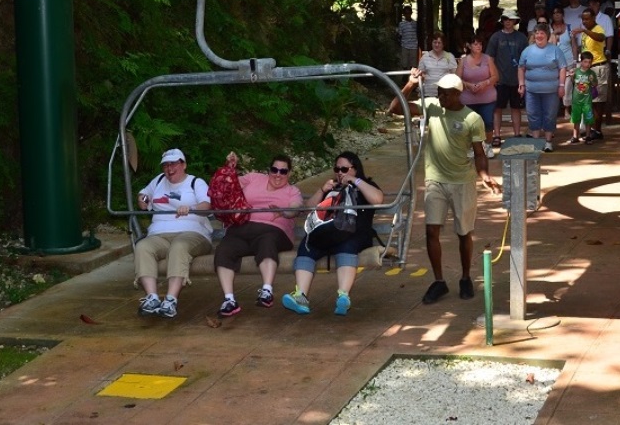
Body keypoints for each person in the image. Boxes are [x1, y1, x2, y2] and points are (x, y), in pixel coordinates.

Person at [388, 73, 501, 304]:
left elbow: (479, 154)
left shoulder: (472, 119)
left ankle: (466, 277)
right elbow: (395, 108)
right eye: (439, 91)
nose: (441, 96)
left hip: (462, 182)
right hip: (435, 180)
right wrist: (410, 83)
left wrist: (485, 175)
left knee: (463, 234)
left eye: (446, 93)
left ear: (458, 94)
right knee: (432, 231)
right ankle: (439, 282)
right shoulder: (431, 107)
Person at [281, 151, 383, 316]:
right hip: (329, 232)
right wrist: (322, 190)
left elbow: (378, 199)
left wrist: (355, 181)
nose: (340, 173)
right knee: (308, 243)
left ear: (355, 169)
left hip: (355, 233)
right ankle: (301, 297)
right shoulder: (332, 187)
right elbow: (309, 208)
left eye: (344, 169)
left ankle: (343, 296)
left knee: (347, 244)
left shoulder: (364, 184)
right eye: (337, 169)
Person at [213, 154, 303, 317]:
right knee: (225, 248)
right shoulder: (254, 178)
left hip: (274, 230)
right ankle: (229, 299)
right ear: (269, 170)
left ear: (289, 174)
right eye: (274, 170)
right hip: (242, 229)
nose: (278, 174)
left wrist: (283, 212)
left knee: (267, 242)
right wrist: (230, 166)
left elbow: (294, 209)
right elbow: (228, 184)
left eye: (283, 171)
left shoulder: (292, 191)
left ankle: (267, 290)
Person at [135, 148, 213, 319]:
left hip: (191, 231)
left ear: (183, 164)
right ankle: (152, 297)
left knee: (179, 247)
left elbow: (207, 206)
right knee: (143, 246)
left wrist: (190, 208)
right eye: (166, 165)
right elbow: (144, 195)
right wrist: (143, 199)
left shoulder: (195, 183)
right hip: (160, 233)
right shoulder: (158, 181)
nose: (170, 169)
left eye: (174, 164)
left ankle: (171, 299)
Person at [517, 22, 567, 152]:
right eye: (537, 33)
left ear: (547, 35)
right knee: (533, 114)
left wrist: (561, 85)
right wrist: (521, 84)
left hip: (551, 90)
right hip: (531, 90)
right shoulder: (527, 51)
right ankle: (536, 142)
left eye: (542, 33)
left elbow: (562, 68)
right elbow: (521, 68)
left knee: (549, 115)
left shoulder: (556, 50)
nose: (539, 36)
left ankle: (548, 141)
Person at [486, 11, 528, 145]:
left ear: (515, 21)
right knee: (497, 108)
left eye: (510, 19)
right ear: (502, 21)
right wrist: (492, 77)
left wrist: (523, 79)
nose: (508, 21)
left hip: (517, 79)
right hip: (500, 79)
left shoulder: (521, 38)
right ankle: (497, 135)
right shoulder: (495, 37)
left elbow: (525, 58)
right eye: (505, 19)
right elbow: (490, 59)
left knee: (516, 108)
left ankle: (516, 134)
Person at [456, 32, 499, 158]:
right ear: (469, 46)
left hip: (487, 97)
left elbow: (496, 76)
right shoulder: (463, 61)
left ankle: (488, 146)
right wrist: (468, 85)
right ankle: (470, 147)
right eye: (475, 44)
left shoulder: (488, 59)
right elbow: (457, 79)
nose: (478, 46)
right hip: (468, 99)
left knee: (488, 122)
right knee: (469, 124)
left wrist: (485, 83)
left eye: (480, 44)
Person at [571, 8, 608, 140]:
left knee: (598, 101)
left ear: (594, 18)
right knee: (589, 100)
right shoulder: (585, 34)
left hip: (598, 68)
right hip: (587, 69)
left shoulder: (597, 29)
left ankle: (597, 130)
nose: (585, 21)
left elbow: (601, 37)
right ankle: (590, 128)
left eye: (587, 19)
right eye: (583, 19)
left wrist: (584, 30)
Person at [550, 9, 578, 119]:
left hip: (568, 62)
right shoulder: (549, 29)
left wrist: (575, 61)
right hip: (554, 63)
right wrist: (554, 35)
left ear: (563, 14)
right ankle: (554, 110)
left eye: (559, 13)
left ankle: (567, 110)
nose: (557, 15)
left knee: (567, 87)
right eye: (555, 13)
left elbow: (574, 45)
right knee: (554, 87)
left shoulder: (569, 28)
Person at [570, 51, 598, 144]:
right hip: (576, 100)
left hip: (587, 100)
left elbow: (595, 84)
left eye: (589, 62)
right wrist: (571, 76)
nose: (587, 64)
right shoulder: (576, 71)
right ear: (581, 62)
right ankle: (575, 136)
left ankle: (588, 135)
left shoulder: (592, 73)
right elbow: (573, 81)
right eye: (585, 62)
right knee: (576, 119)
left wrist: (592, 80)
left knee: (588, 119)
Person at [417, 31, 457, 97]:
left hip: (444, 94)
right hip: (428, 94)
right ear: (431, 43)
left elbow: (455, 75)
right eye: (435, 42)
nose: (437, 45)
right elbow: (420, 74)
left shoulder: (449, 56)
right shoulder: (425, 57)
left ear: (443, 44)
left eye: (439, 42)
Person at [397, 6, 419, 70]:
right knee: (404, 63)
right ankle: (405, 76)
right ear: (404, 14)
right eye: (406, 13)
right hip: (405, 46)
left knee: (413, 64)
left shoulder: (415, 24)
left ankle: (412, 77)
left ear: (411, 13)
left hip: (414, 46)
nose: (407, 15)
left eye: (408, 13)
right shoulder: (401, 24)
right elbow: (400, 35)